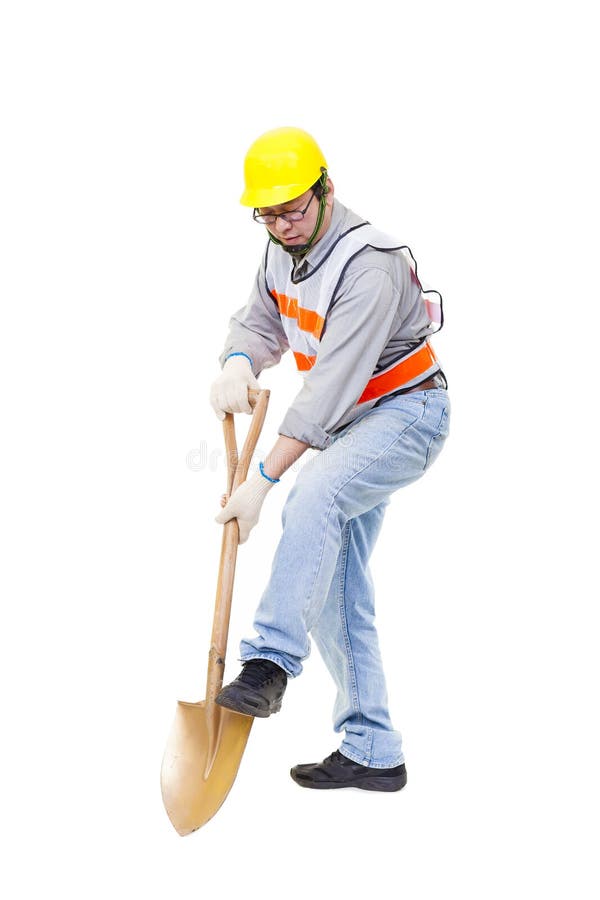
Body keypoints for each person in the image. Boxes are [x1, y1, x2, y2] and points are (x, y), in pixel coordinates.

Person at [209, 126, 450, 792]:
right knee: (331, 586)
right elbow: (259, 320)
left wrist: (260, 481)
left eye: (292, 209)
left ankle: (268, 665)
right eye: (268, 213)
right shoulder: (278, 248)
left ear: (326, 190)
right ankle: (373, 748)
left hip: (408, 413)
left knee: (311, 498)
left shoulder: (367, 264)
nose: (281, 224)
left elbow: (325, 393)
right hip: (352, 422)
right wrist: (237, 359)